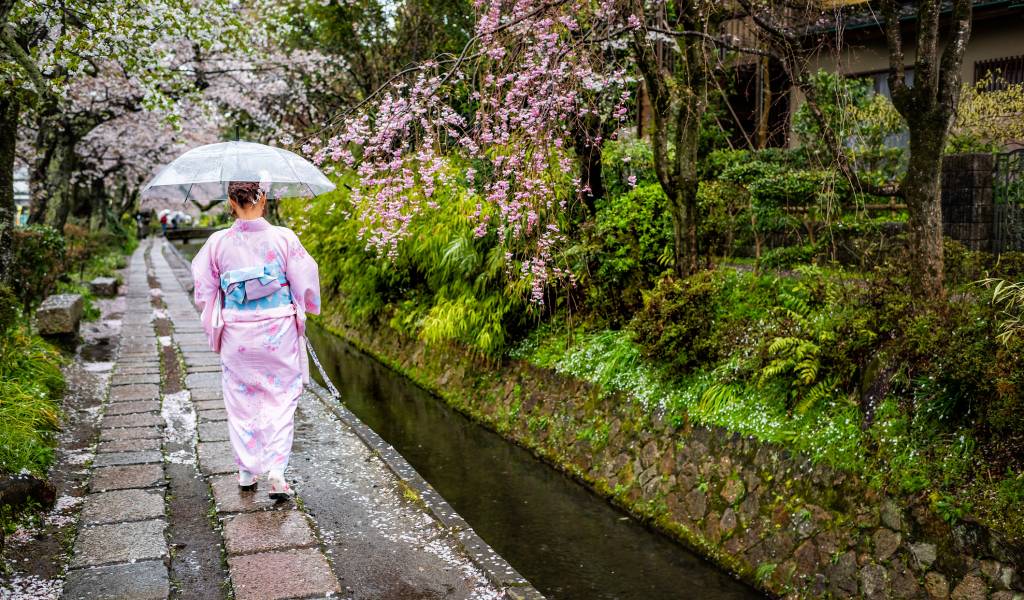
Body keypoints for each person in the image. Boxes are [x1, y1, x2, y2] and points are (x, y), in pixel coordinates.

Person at [190, 181, 320, 500]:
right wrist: (306, 307)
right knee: (280, 398)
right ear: (264, 201)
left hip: (238, 333)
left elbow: (204, 290)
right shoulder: (283, 238)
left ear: (231, 203)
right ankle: (276, 468)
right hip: (278, 331)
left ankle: (247, 470)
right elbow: (306, 282)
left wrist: (217, 317)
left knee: (241, 400)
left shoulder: (218, 243)